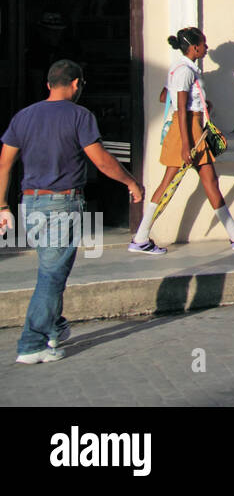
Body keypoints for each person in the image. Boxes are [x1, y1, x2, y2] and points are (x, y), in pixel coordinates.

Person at [0, 60, 144, 364]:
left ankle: (54, 326)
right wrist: (130, 181)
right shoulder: (80, 116)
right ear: (76, 84)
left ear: (48, 84)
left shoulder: (23, 116)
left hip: (31, 203)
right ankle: (32, 343)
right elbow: (101, 160)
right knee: (52, 275)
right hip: (62, 204)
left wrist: (2, 205)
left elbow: (4, 163)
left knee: (52, 270)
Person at [128, 28, 234, 255]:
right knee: (169, 184)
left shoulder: (183, 68)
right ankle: (141, 237)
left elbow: (166, 96)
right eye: (204, 43)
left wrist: (201, 103)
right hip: (187, 131)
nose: (206, 47)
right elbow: (180, 107)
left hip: (192, 127)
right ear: (194, 47)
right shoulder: (184, 70)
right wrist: (185, 143)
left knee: (210, 180)